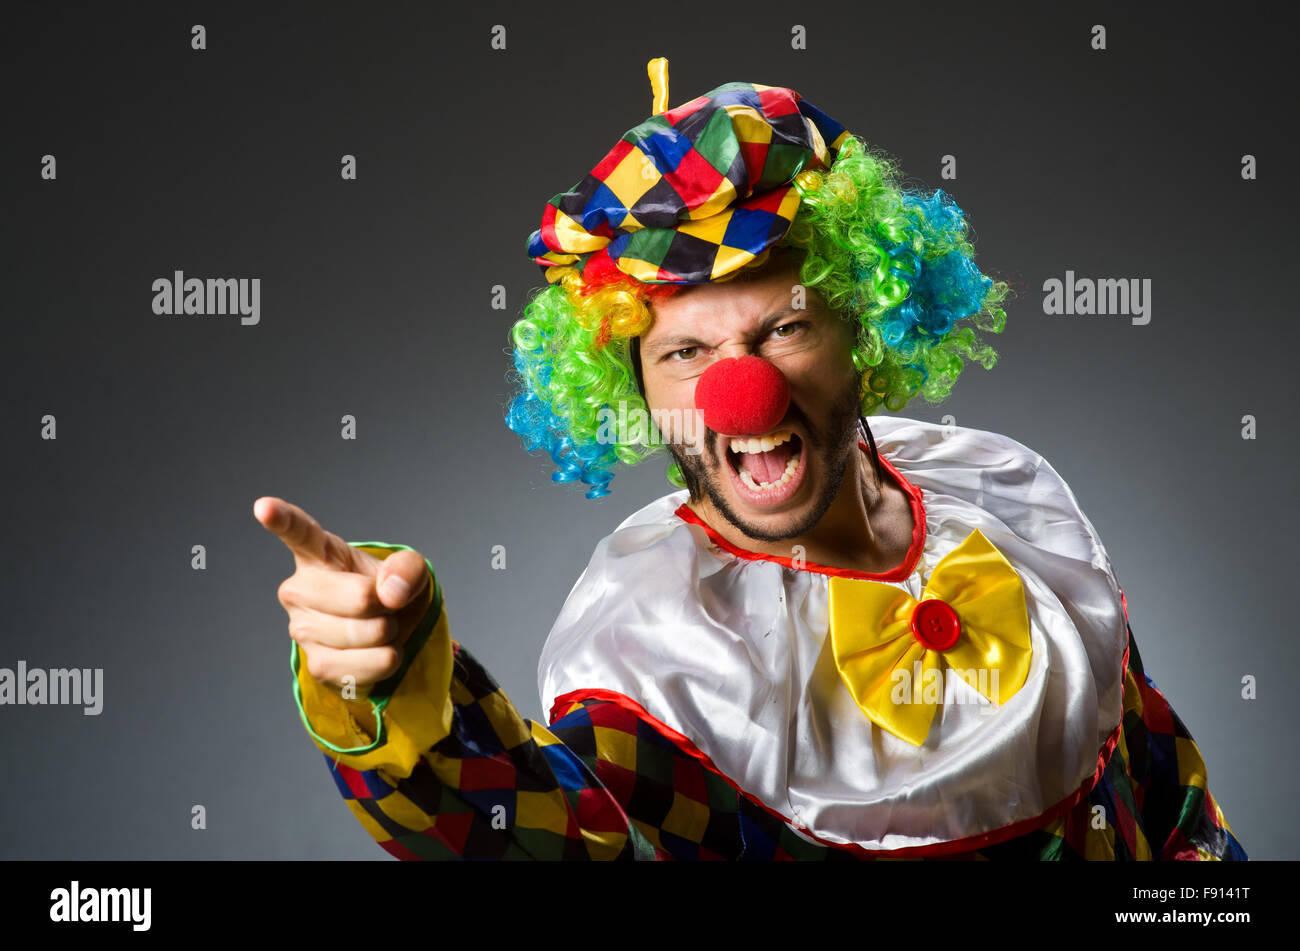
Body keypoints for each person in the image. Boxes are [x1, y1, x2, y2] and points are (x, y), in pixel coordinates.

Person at [254, 60, 1245, 860]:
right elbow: (550, 838)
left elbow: (1163, 797)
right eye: (686, 353)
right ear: (631, 387)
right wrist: (394, 690)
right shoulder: (649, 651)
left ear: (864, 322)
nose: (744, 393)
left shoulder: (1003, 491)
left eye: (783, 329)